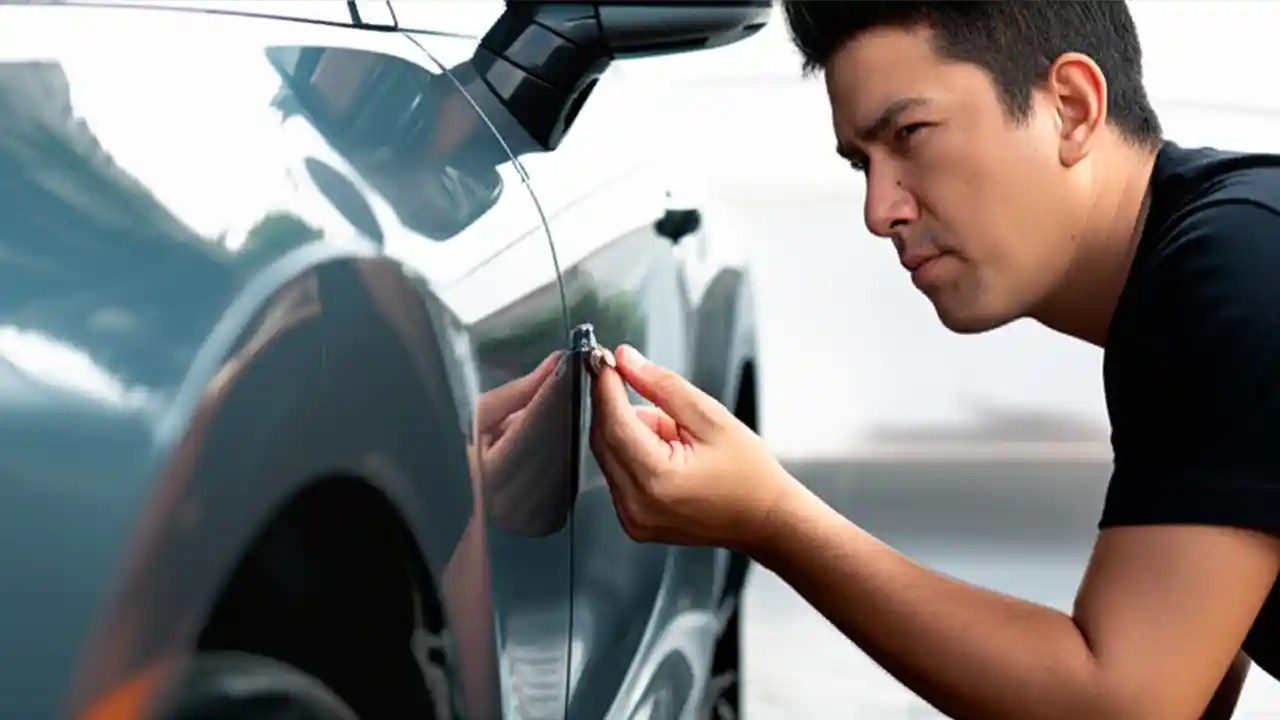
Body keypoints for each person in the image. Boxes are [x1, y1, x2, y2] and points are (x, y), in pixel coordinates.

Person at [587, 2, 1280, 718]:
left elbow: (1122, 704)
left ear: (1071, 108)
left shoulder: (1237, 273)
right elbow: (1182, 675)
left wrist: (770, 517)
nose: (879, 211)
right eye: (863, 163)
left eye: (911, 135)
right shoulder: (1204, 271)